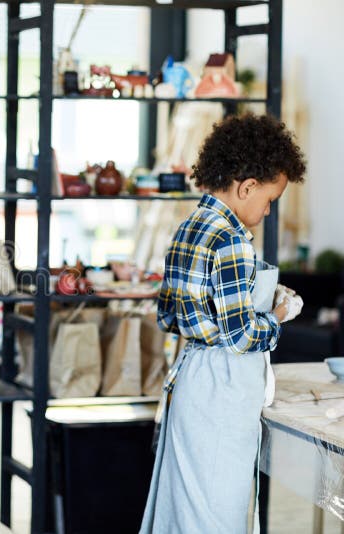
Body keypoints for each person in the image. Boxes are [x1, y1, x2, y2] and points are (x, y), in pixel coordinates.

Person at [140, 113, 306, 534]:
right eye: (269, 199)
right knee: (219, 516)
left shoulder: (188, 228)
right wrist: (279, 314)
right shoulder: (231, 241)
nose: (268, 210)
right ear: (247, 186)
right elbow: (242, 336)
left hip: (192, 379)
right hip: (223, 389)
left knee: (187, 510)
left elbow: (167, 314)